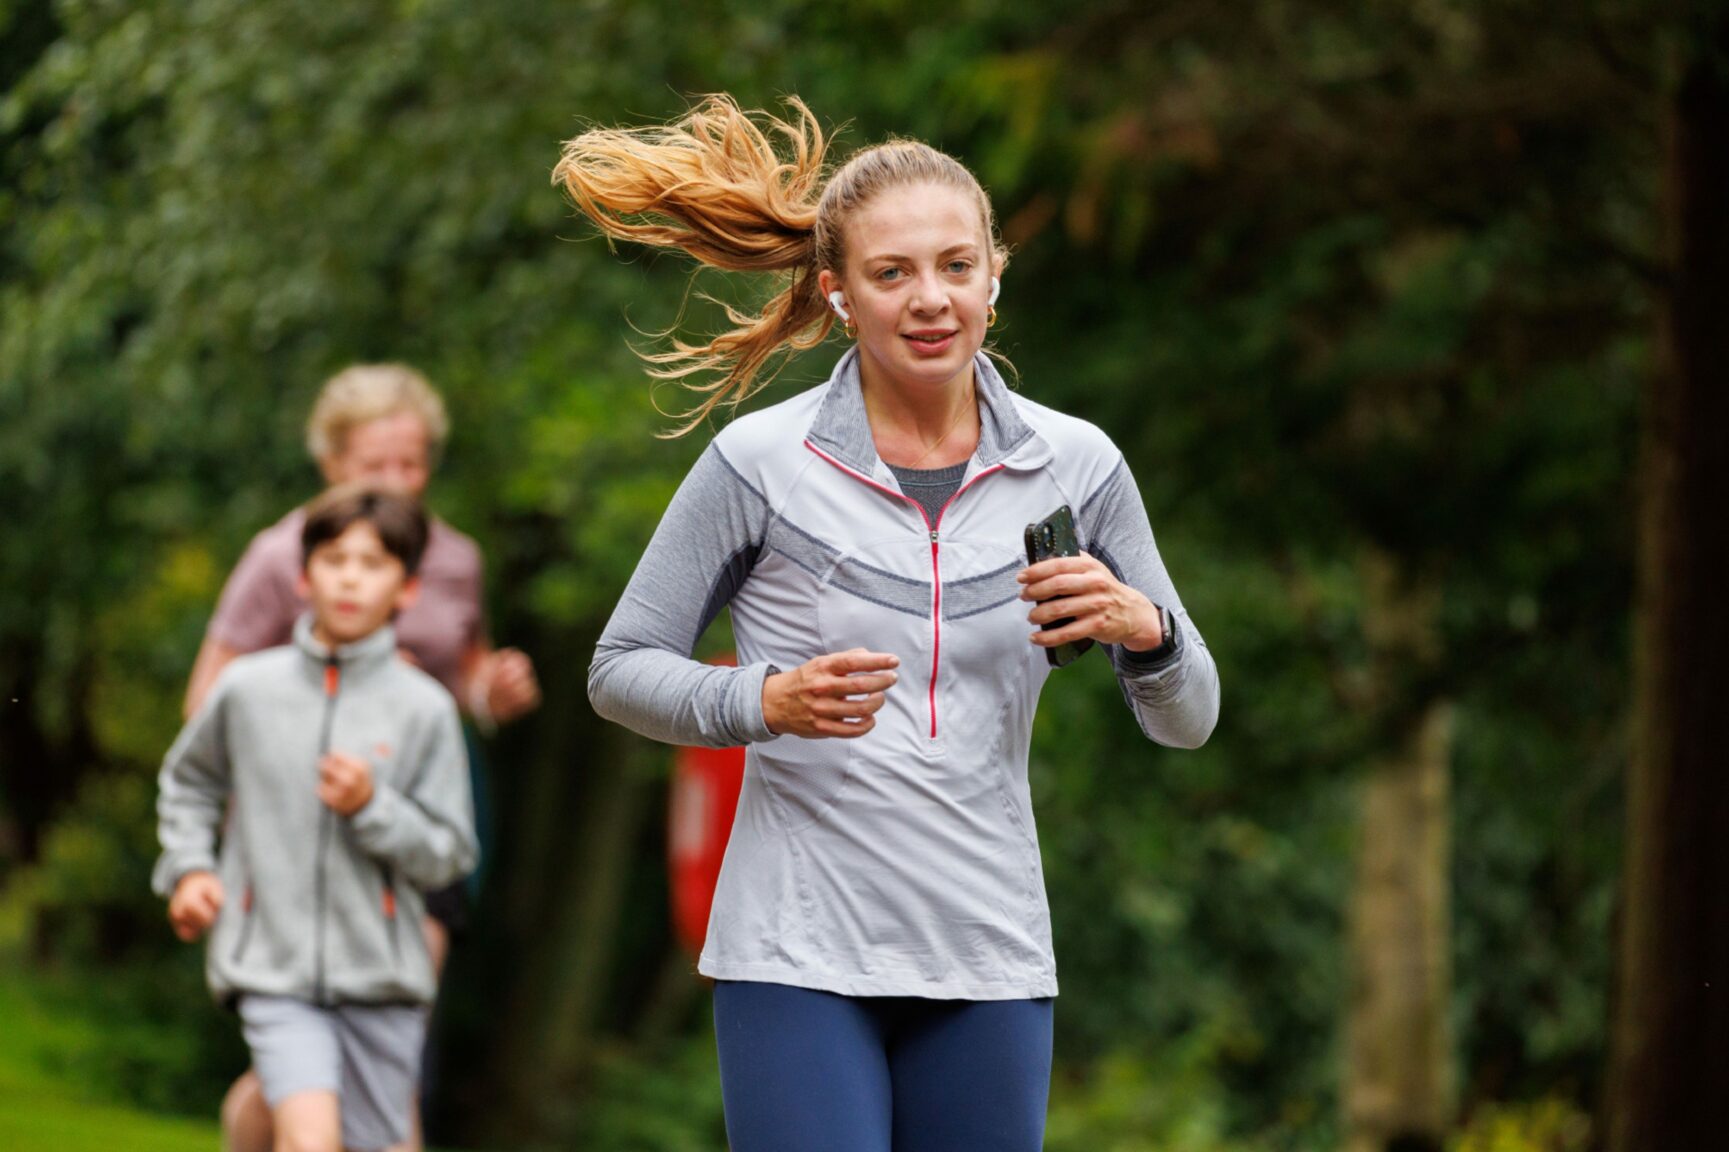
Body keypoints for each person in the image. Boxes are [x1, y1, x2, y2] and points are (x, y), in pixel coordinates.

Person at [557, 95, 1221, 1151]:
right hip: (798, 952)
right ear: (837, 295)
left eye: (956, 267)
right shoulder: (760, 466)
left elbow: (1188, 719)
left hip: (987, 954)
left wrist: (1148, 630)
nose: (930, 300)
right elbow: (617, 669)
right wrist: (762, 701)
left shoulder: (1075, 464)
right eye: (892, 273)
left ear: (994, 280)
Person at [182, 363, 539, 1151]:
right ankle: (265, 1119)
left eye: (412, 464)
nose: (399, 481)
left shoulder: (451, 558)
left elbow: (460, 677)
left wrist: (491, 689)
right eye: (377, 466)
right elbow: (206, 705)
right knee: (313, 1056)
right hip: (300, 832)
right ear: (332, 463)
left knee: (389, 1027)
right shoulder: (281, 557)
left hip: (418, 814)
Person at [155, 485, 478, 1152]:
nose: (351, 578)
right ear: (304, 578)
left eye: (373, 563)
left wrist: (373, 808)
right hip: (271, 970)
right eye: (334, 560)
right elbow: (188, 782)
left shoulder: (425, 710)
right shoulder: (247, 690)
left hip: (383, 981)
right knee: (309, 1141)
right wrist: (190, 870)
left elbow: (450, 853)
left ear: (408, 588)